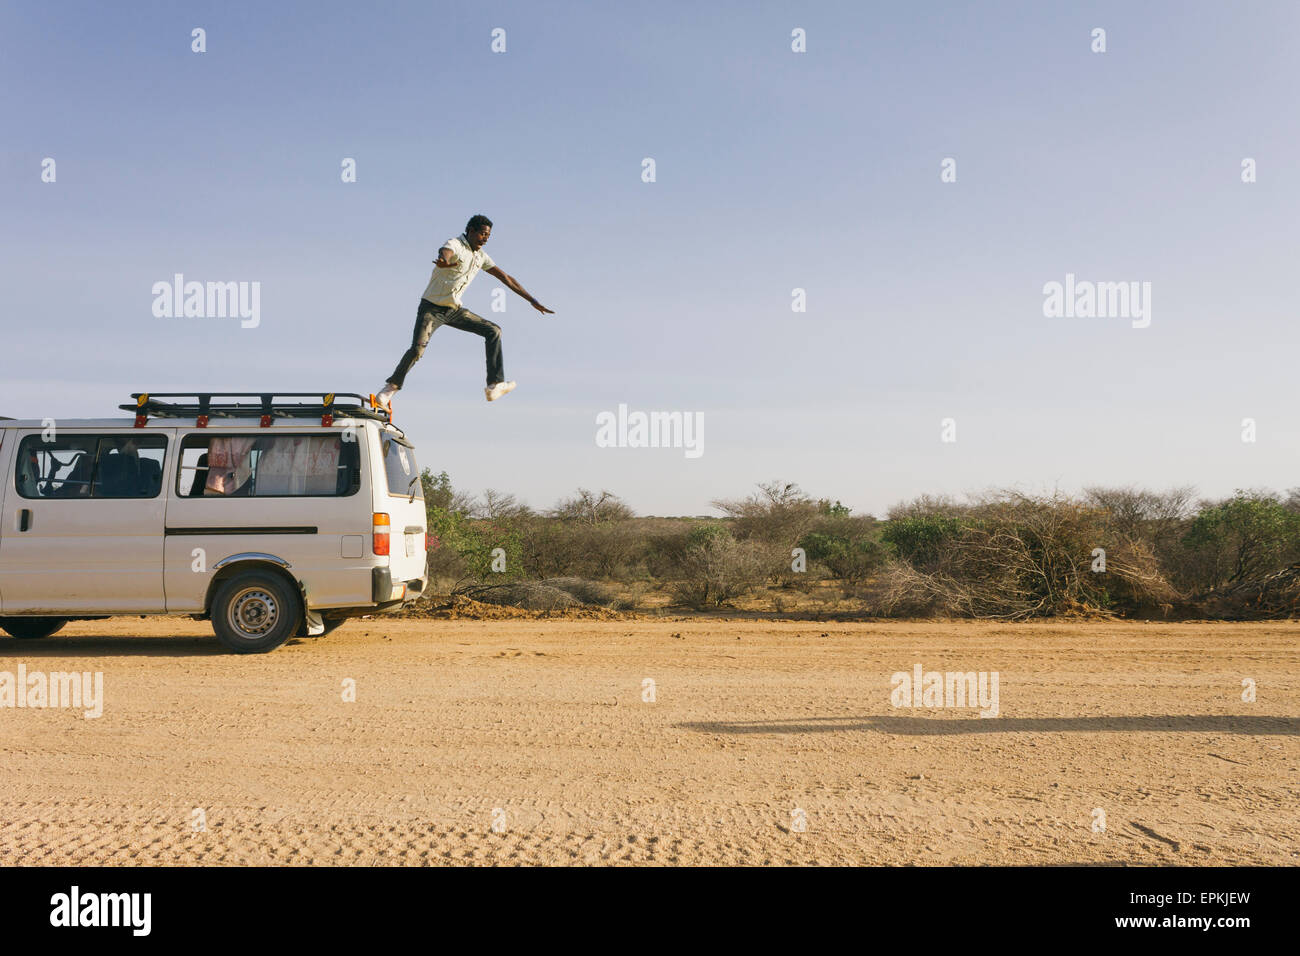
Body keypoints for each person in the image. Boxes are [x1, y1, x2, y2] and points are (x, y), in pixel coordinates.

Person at [376, 214, 554, 408]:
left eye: (488, 236)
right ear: (471, 231)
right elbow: (445, 251)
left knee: (493, 330)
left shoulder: (481, 256)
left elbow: (506, 278)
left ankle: (494, 384)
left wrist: (532, 300)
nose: (485, 238)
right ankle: (389, 389)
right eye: (482, 234)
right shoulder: (456, 244)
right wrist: (444, 260)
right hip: (431, 309)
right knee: (417, 350)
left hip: (454, 310)